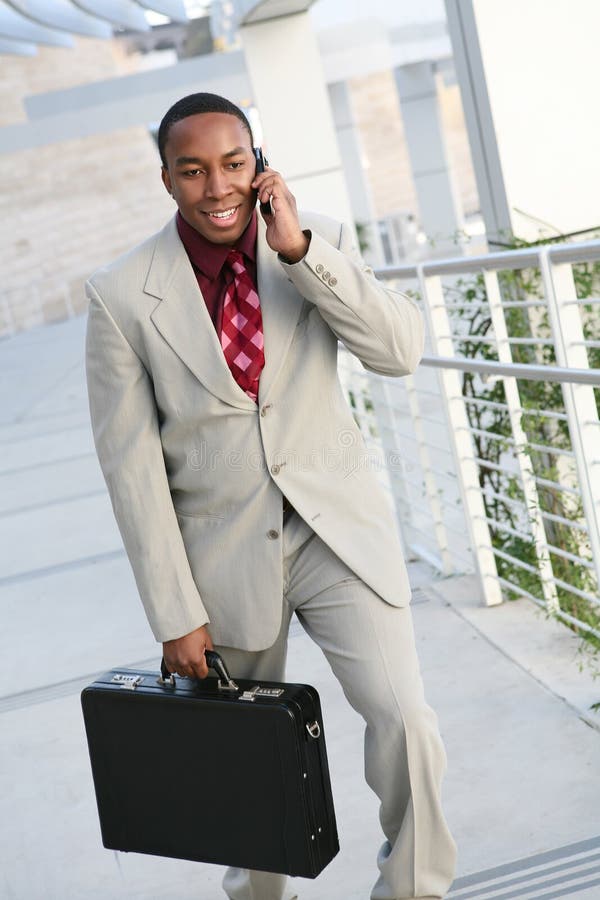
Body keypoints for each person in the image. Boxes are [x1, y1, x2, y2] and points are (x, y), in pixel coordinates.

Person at [85, 92, 456, 900]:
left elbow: (400, 350)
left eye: (232, 163)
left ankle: (413, 891)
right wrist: (172, 611)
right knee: (248, 773)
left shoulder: (313, 243)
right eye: (193, 170)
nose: (216, 187)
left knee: (408, 724)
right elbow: (131, 467)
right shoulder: (120, 296)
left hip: (336, 538)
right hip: (218, 565)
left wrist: (299, 252)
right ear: (167, 179)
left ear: (259, 164)